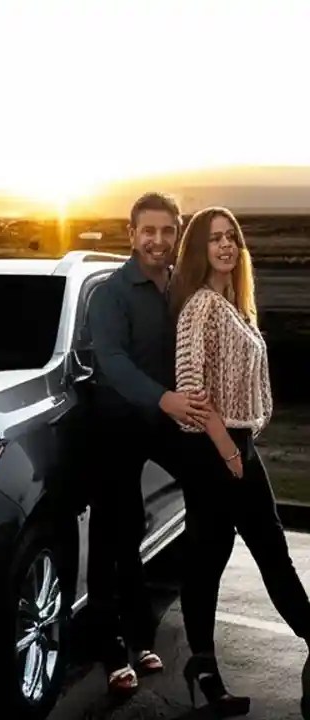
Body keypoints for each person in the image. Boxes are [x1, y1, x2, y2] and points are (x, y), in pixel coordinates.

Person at [168, 205, 310, 716]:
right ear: (199, 250)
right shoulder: (201, 307)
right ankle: (208, 669)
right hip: (213, 448)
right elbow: (192, 390)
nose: (226, 246)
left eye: (233, 237)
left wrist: (245, 435)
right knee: (236, 554)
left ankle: (205, 667)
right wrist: (229, 450)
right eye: (214, 239)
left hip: (236, 443)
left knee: (244, 551)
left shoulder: (236, 305)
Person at [85, 191, 212, 696]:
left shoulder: (180, 285)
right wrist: (165, 401)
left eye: (167, 231)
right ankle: (112, 647)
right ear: (131, 234)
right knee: (114, 537)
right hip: (115, 424)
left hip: (163, 418)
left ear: (177, 234)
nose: (157, 241)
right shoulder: (112, 293)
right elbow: (113, 363)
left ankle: (143, 637)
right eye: (148, 231)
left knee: (205, 491)